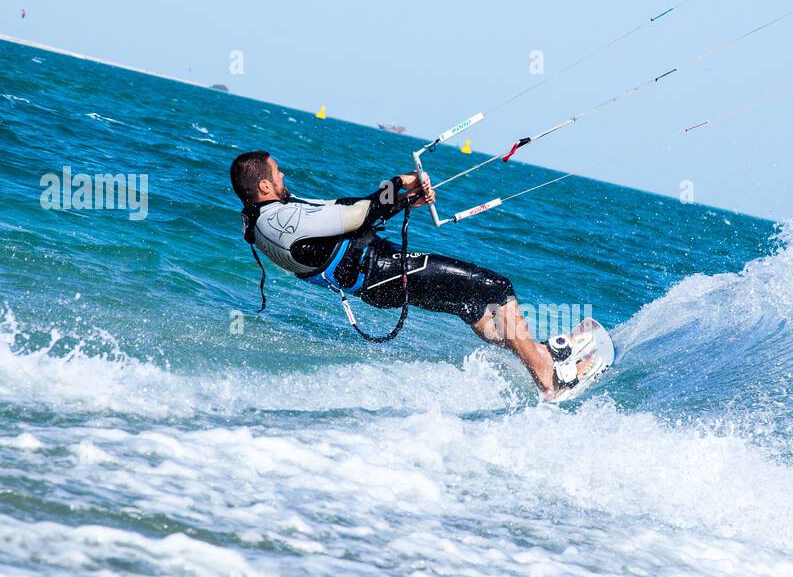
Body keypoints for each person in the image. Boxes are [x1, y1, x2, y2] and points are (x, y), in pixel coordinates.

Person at [229, 151, 587, 398]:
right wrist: (399, 182)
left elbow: (340, 210)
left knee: (471, 306)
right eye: (277, 173)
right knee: (496, 287)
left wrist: (401, 199)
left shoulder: (265, 218)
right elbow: (356, 215)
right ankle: (547, 377)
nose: (283, 175)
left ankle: (535, 352)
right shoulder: (280, 220)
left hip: (375, 283)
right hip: (386, 271)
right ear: (263, 186)